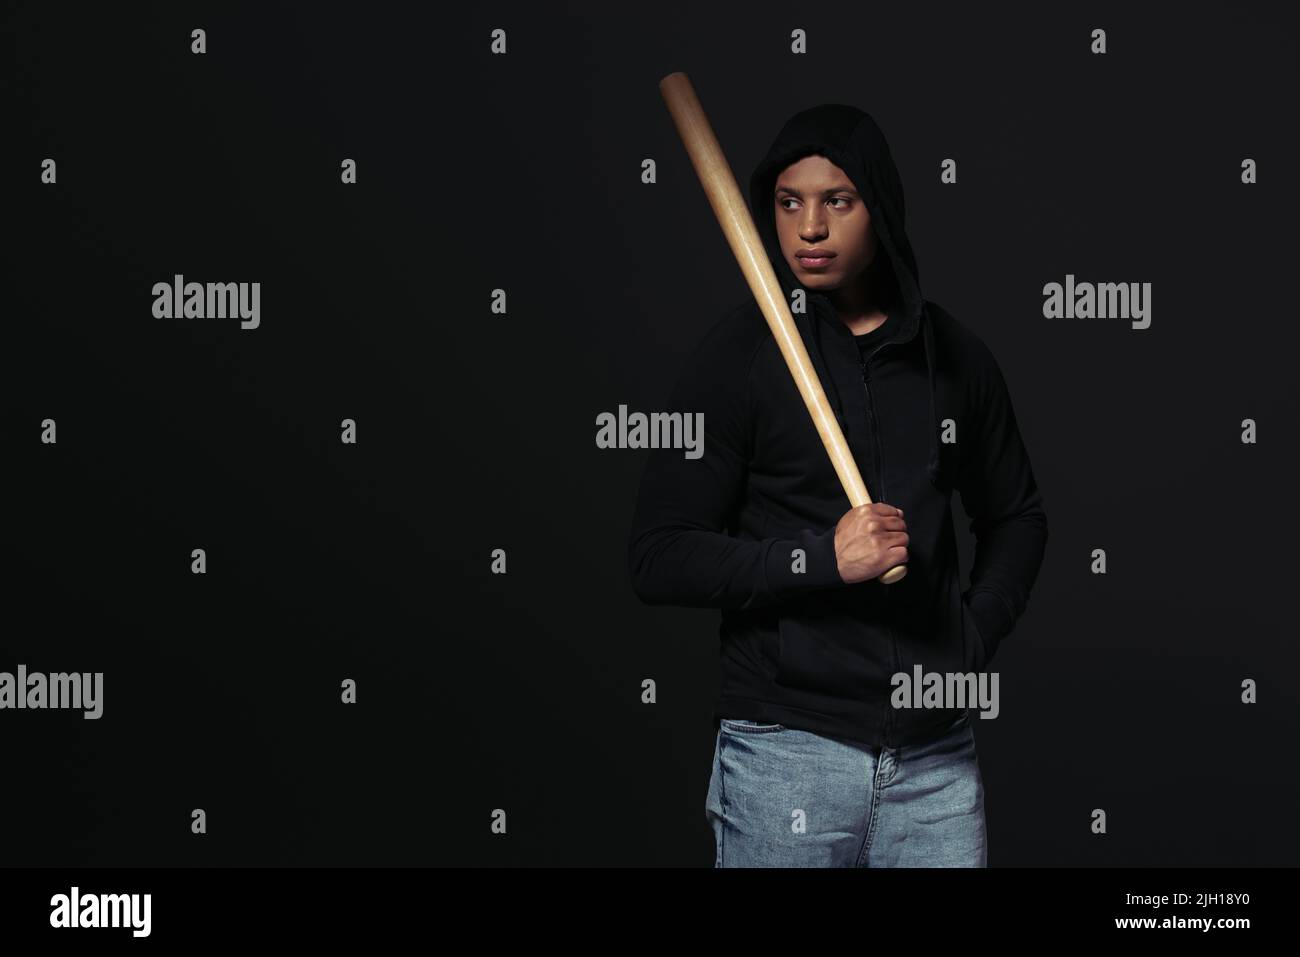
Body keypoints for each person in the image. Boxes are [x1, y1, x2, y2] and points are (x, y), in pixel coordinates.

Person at [626, 103, 1049, 867]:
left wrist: (972, 637)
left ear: (878, 208)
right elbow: (658, 555)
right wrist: (820, 558)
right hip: (786, 752)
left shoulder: (953, 358)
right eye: (789, 203)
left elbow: (1017, 515)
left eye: (837, 202)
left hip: (935, 761)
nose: (809, 229)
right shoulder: (737, 359)